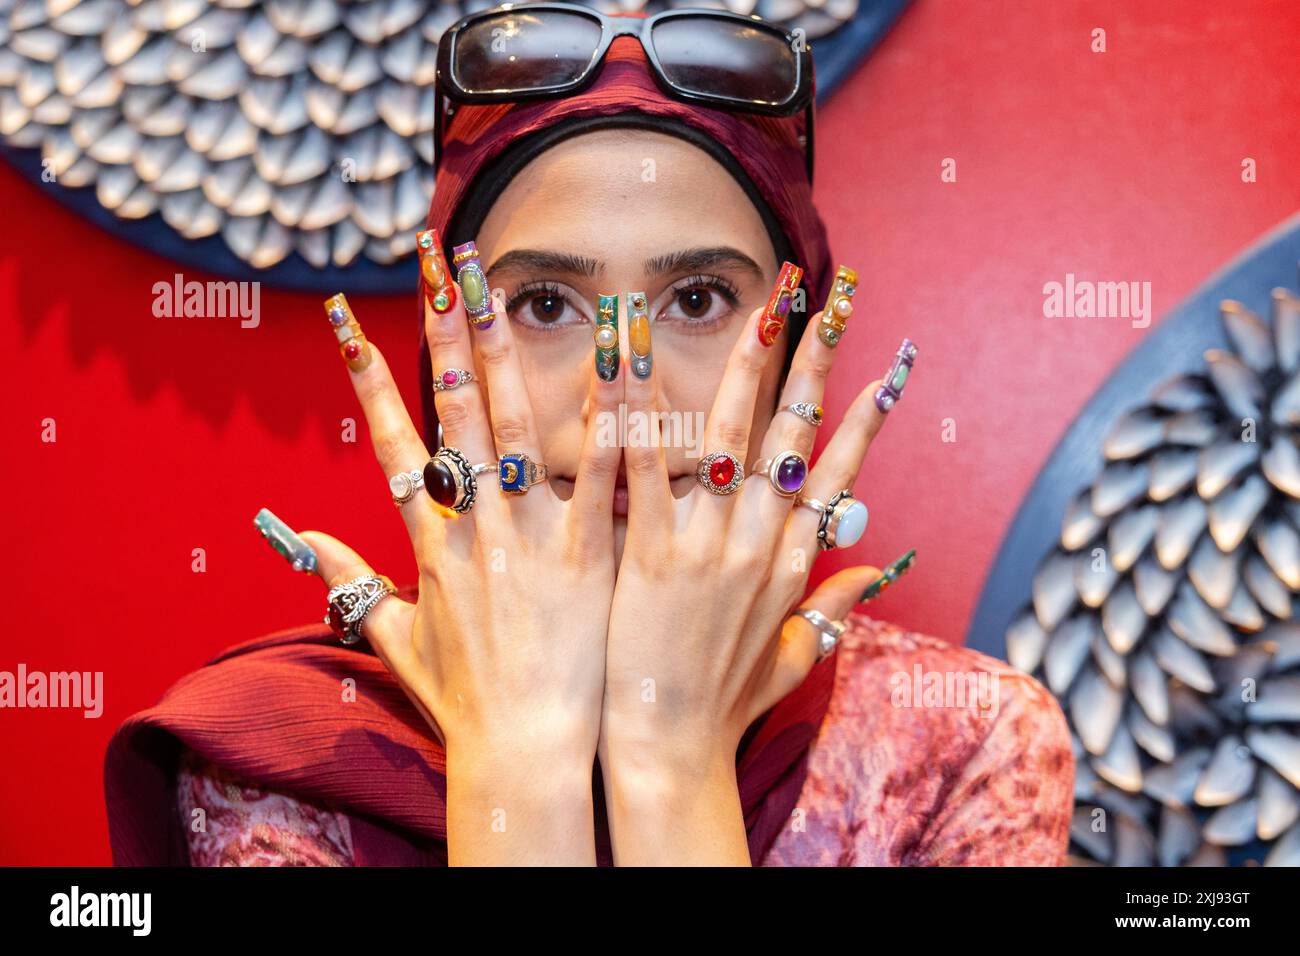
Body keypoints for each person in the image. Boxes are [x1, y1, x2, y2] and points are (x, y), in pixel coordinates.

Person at [105, 6, 1073, 866]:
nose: (621, 388)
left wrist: (666, 751)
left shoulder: (961, 744)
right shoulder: (293, 759)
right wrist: (523, 754)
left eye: (695, 299)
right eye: (540, 304)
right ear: (450, 361)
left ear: (792, 357)